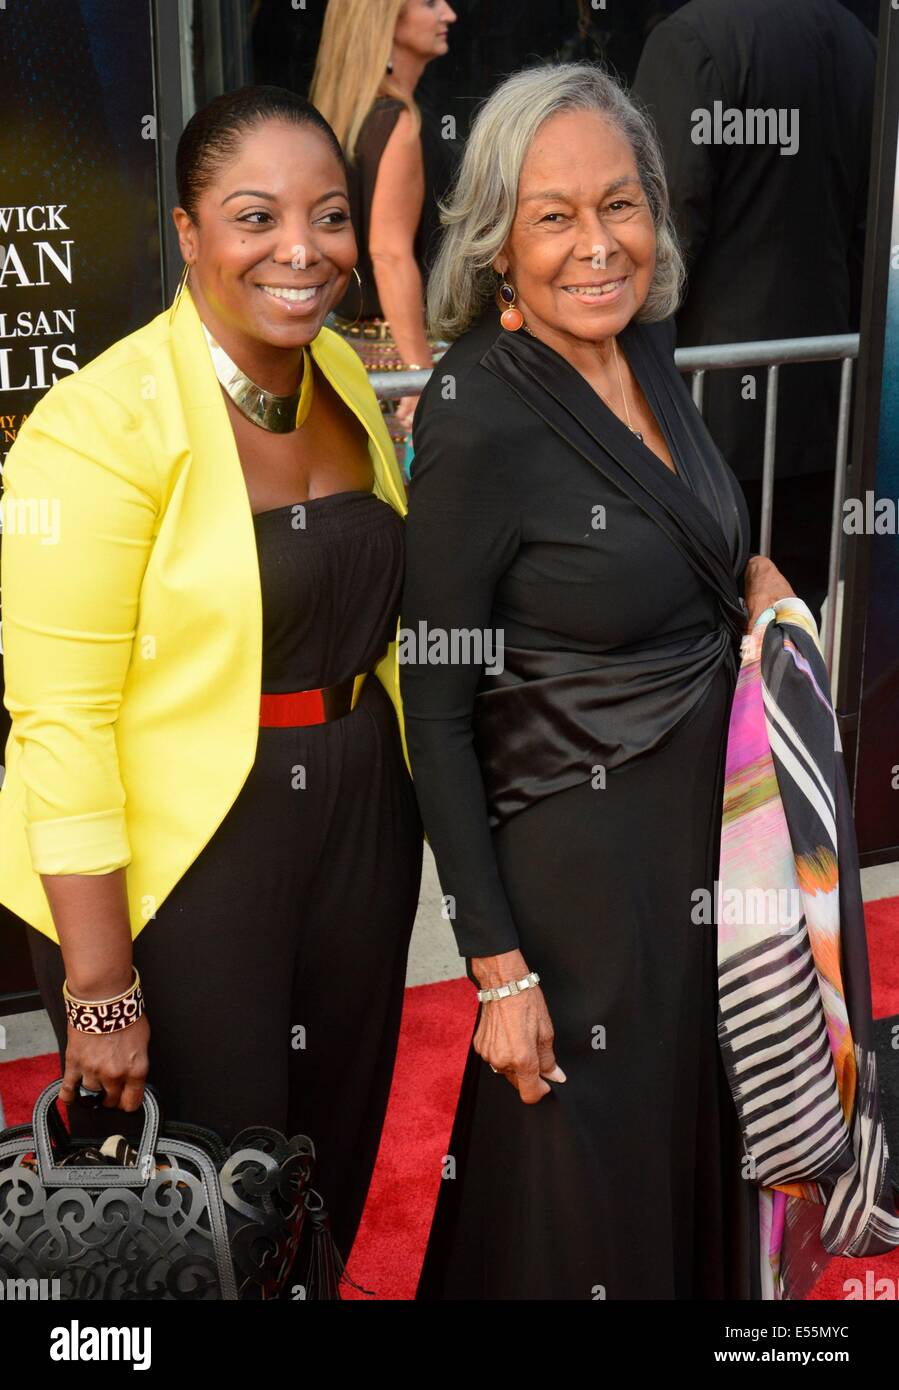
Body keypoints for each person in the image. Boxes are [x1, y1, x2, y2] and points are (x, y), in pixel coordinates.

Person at [0, 85, 423, 1286]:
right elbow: (59, 726)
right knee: (201, 1208)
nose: (301, 249)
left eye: (330, 216)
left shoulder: (339, 371)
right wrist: (99, 992)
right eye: (255, 216)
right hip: (189, 866)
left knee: (322, 1172)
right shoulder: (93, 428)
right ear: (188, 233)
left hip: (357, 828)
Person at [400, 61, 797, 1300]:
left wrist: (761, 585)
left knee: (692, 1153)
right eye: (552, 214)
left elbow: (687, 540)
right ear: (497, 241)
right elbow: (437, 704)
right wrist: (497, 969)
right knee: (580, 1196)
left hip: (706, 867)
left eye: (618, 205)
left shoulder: (647, 343)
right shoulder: (475, 408)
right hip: (577, 898)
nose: (594, 244)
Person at [632, 0, 877, 622]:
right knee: (795, 647)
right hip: (829, 409)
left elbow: (656, 237)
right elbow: (867, 228)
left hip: (699, 425)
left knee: (701, 651)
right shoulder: (857, 39)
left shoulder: (692, 40)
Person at [310, 0, 459, 462]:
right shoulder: (399, 123)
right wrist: (419, 373)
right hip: (407, 355)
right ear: (385, 20)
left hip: (348, 349)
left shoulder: (337, 120)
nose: (449, 14)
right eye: (430, 3)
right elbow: (390, 253)